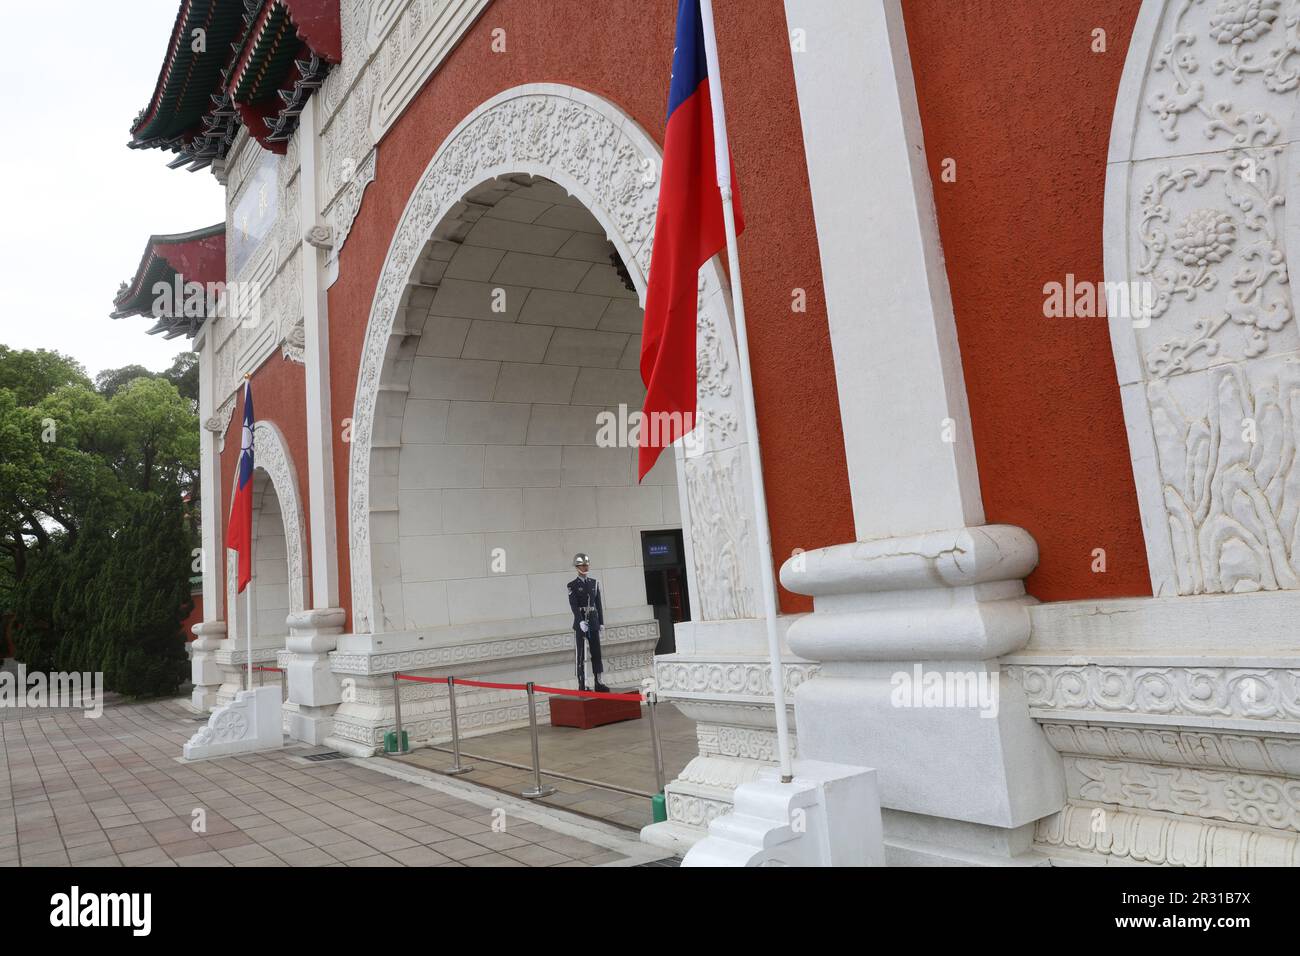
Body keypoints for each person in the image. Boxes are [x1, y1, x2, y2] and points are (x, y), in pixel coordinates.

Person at [567, 553, 609, 693]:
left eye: (586, 565)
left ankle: (598, 682)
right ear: (577, 567)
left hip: (593, 621)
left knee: (596, 653)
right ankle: (582, 684)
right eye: (582, 565)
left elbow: (598, 604)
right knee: (581, 655)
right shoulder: (572, 585)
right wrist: (579, 621)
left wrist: (601, 622)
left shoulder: (594, 583)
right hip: (581, 624)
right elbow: (573, 605)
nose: (585, 567)